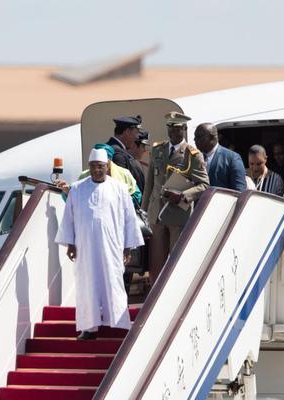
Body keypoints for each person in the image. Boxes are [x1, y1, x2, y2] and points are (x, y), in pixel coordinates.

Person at [55, 148, 144, 340]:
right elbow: (69, 219)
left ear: (107, 166)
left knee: (114, 282)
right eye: (94, 167)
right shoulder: (77, 189)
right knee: (87, 285)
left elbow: (129, 219)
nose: (97, 170)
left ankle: (120, 325)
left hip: (112, 247)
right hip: (85, 248)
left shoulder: (119, 189)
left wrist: (128, 246)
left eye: (101, 167)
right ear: (89, 167)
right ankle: (88, 328)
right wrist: (70, 244)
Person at [141, 111, 209, 283]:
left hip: (178, 214)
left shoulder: (192, 155)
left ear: (184, 129)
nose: (172, 132)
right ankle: (154, 295)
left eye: (177, 128)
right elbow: (150, 183)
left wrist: (183, 196)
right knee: (156, 262)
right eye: (170, 127)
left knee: (176, 261)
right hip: (157, 214)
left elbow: (204, 184)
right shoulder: (158, 149)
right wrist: (143, 211)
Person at [57, 143, 142, 206]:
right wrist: (68, 192)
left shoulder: (124, 174)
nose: (96, 169)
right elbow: (74, 202)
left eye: (101, 165)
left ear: (109, 163)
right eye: (93, 165)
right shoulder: (84, 176)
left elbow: (137, 196)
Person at [193, 123, 246, 191]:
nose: (195, 139)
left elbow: (239, 191)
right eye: (195, 136)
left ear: (212, 138)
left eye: (199, 136)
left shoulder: (232, 159)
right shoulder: (195, 158)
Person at [107, 116, 146, 192]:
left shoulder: (115, 149)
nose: (137, 137)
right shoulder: (118, 154)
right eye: (136, 133)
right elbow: (121, 187)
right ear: (128, 132)